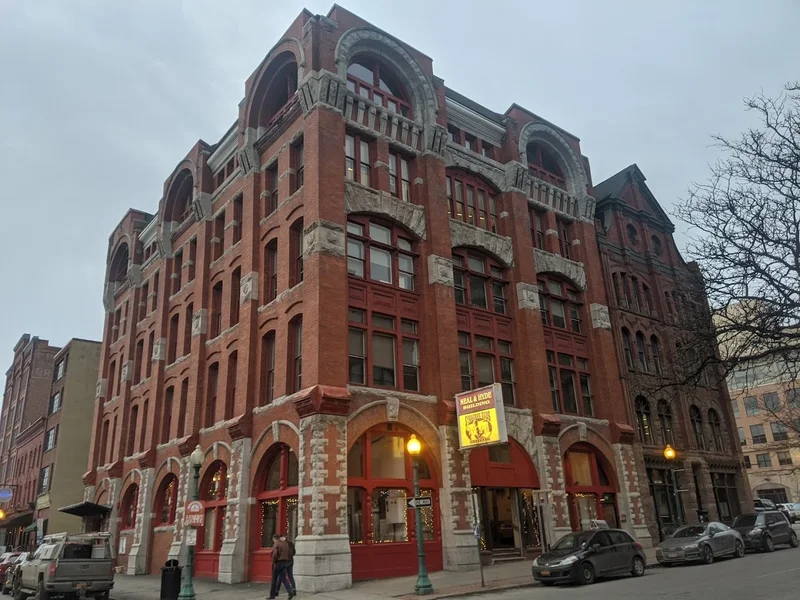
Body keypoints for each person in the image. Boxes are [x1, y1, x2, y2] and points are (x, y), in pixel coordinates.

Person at [268, 533, 295, 599]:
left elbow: (275, 554)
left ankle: (272, 595)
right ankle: (290, 591)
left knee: (274, 579)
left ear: (274, 539)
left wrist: (273, 562)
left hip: (278, 563)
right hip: (285, 562)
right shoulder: (285, 544)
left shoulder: (276, 544)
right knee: (283, 578)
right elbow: (290, 553)